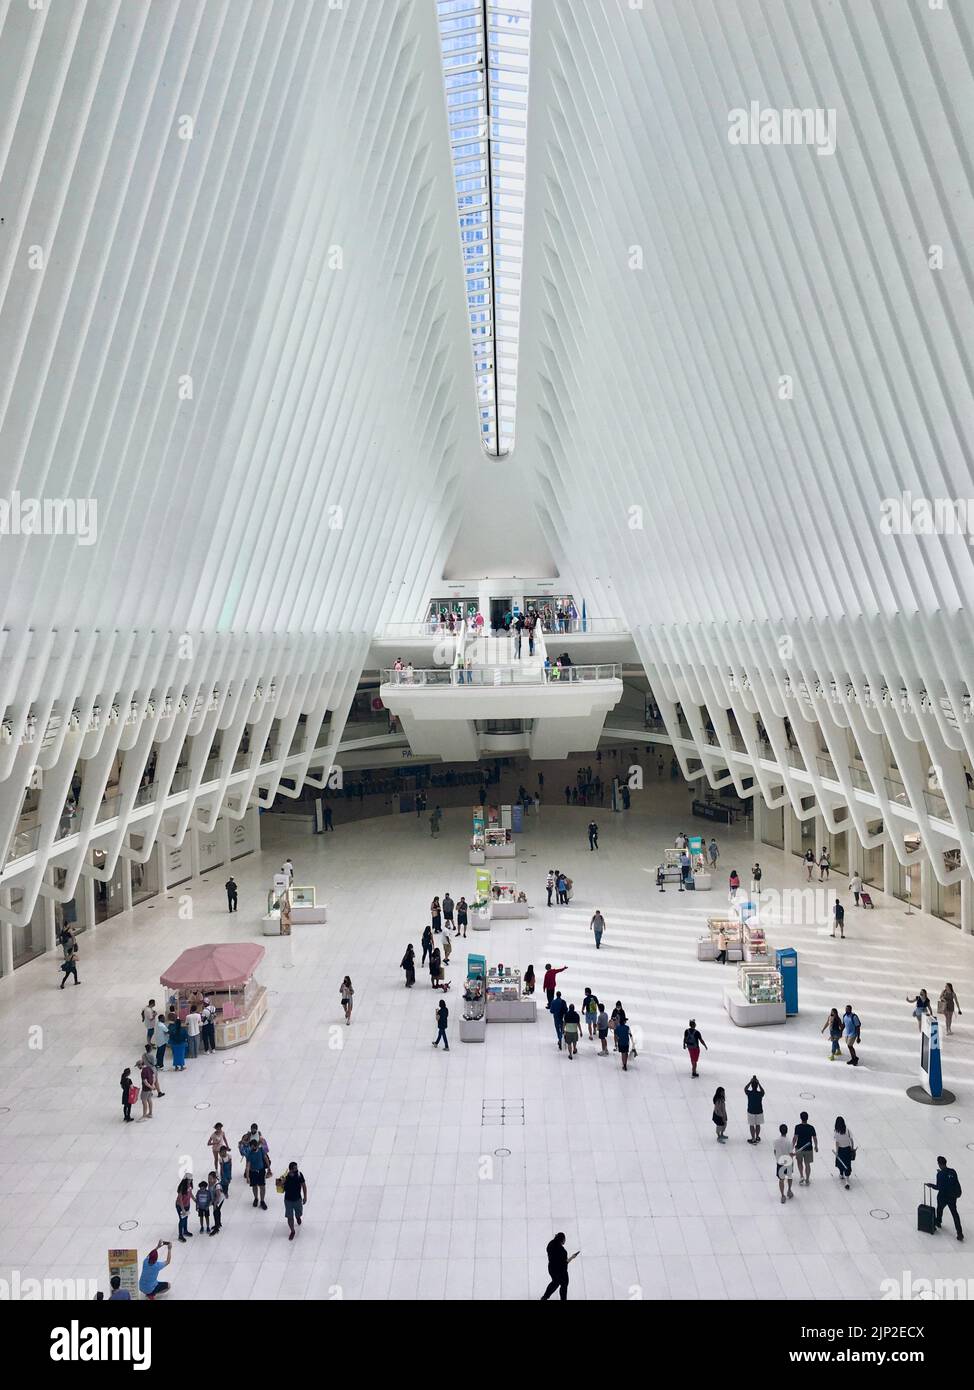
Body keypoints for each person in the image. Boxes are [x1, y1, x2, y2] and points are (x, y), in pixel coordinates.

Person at [540, 1232, 578, 1301]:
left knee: (555, 1282)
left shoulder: (550, 1244)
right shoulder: (563, 1251)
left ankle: (545, 1297)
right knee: (564, 1284)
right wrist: (572, 1257)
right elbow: (564, 1263)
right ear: (562, 1240)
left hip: (551, 1268)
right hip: (560, 1271)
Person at [934, 1155, 964, 1240]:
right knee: (955, 1214)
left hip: (943, 1197)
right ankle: (960, 1233)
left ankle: (938, 1221)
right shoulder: (953, 1171)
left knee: (939, 1208)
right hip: (952, 1197)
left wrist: (931, 1185)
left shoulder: (939, 1174)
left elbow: (938, 1187)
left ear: (939, 1164)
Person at [282, 1161, 308, 1240]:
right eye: (295, 1168)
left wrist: (305, 1197)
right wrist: (281, 1183)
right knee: (290, 1217)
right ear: (290, 1169)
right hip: (288, 1200)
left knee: (299, 1213)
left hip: (297, 1199)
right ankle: (292, 1231)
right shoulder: (285, 1177)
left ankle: (298, 1217)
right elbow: (281, 1188)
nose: (296, 1169)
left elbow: (304, 1186)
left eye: (296, 1168)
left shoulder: (299, 1175)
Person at [793, 1112, 818, 1185]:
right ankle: (807, 1179)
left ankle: (801, 1176)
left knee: (799, 1162)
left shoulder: (797, 1127)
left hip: (799, 1148)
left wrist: (792, 1146)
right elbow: (815, 1138)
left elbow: (795, 1138)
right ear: (807, 1118)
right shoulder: (811, 1127)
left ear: (801, 1118)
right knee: (807, 1164)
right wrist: (816, 1146)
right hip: (808, 1148)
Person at [773, 1124, 796, 1204]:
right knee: (789, 1177)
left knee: (781, 1179)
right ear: (787, 1131)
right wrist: (794, 1155)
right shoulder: (789, 1142)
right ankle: (789, 1190)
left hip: (780, 1162)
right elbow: (790, 1154)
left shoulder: (776, 1141)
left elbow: (775, 1151)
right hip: (788, 1162)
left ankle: (782, 1195)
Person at [245, 1138, 270, 1209]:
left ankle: (262, 1200)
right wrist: (247, 1177)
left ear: (256, 1146)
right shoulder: (249, 1154)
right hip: (253, 1172)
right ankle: (256, 1198)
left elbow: (265, 1158)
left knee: (262, 1186)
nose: (252, 1148)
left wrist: (268, 1168)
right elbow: (248, 1165)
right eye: (251, 1146)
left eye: (253, 1146)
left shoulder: (261, 1150)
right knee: (254, 1186)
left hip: (261, 1171)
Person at [833, 1116, 855, 1189]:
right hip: (847, 1149)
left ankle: (841, 1174)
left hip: (840, 1150)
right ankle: (847, 1180)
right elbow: (851, 1140)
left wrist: (836, 1151)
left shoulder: (836, 1132)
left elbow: (837, 1142)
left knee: (840, 1163)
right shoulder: (847, 1130)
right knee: (847, 1164)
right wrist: (852, 1148)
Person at [745, 1077, 765, 1143]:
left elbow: (745, 1088)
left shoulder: (749, 1093)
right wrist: (758, 1083)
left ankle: (753, 1138)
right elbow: (763, 1091)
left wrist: (750, 1082)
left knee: (751, 1125)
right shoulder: (760, 1094)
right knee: (758, 1124)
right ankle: (757, 1137)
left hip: (751, 1111)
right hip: (759, 1111)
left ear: (751, 1086)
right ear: (757, 1086)